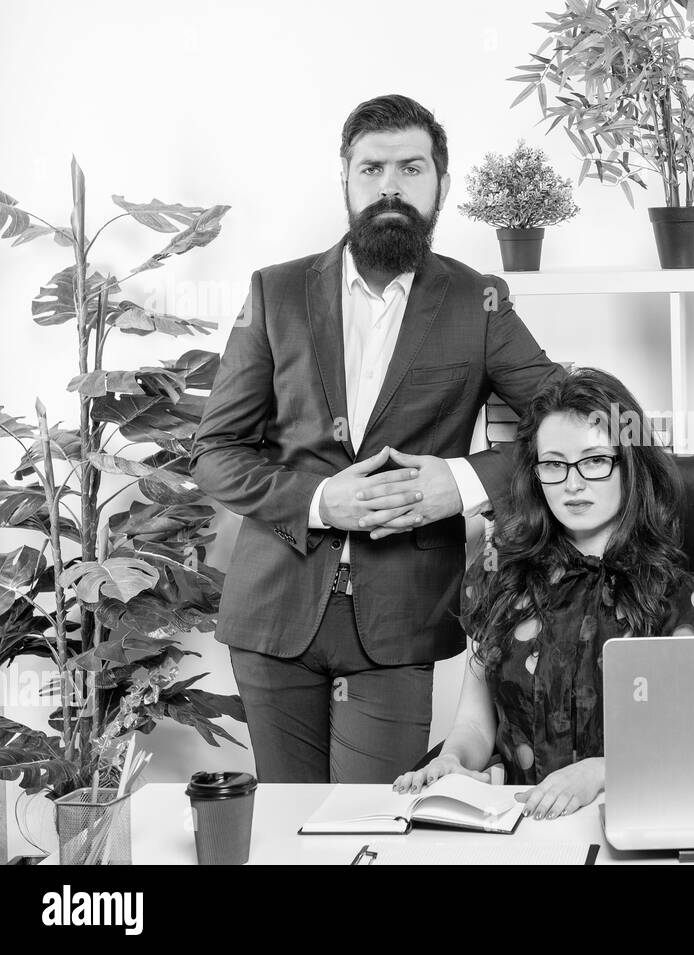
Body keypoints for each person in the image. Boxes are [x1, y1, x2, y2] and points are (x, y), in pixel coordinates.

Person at [190, 94, 567, 783]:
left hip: (400, 617)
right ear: (346, 181)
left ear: (441, 186)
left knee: (377, 824)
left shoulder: (478, 301)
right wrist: (318, 500)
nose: (389, 187)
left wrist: (457, 484)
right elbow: (215, 453)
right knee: (286, 827)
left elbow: (573, 425)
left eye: (411, 168)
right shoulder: (275, 292)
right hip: (275, 612)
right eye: (371, 169)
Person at [393, 369, 694, 819]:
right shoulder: (500, 577)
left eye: (594, 460)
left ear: (631, 464)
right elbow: (475, 724)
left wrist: (601, 772)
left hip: (627, 823)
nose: (573, 484)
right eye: (553, 464)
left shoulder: (683, 601)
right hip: (519, 828)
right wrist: (453, 760)